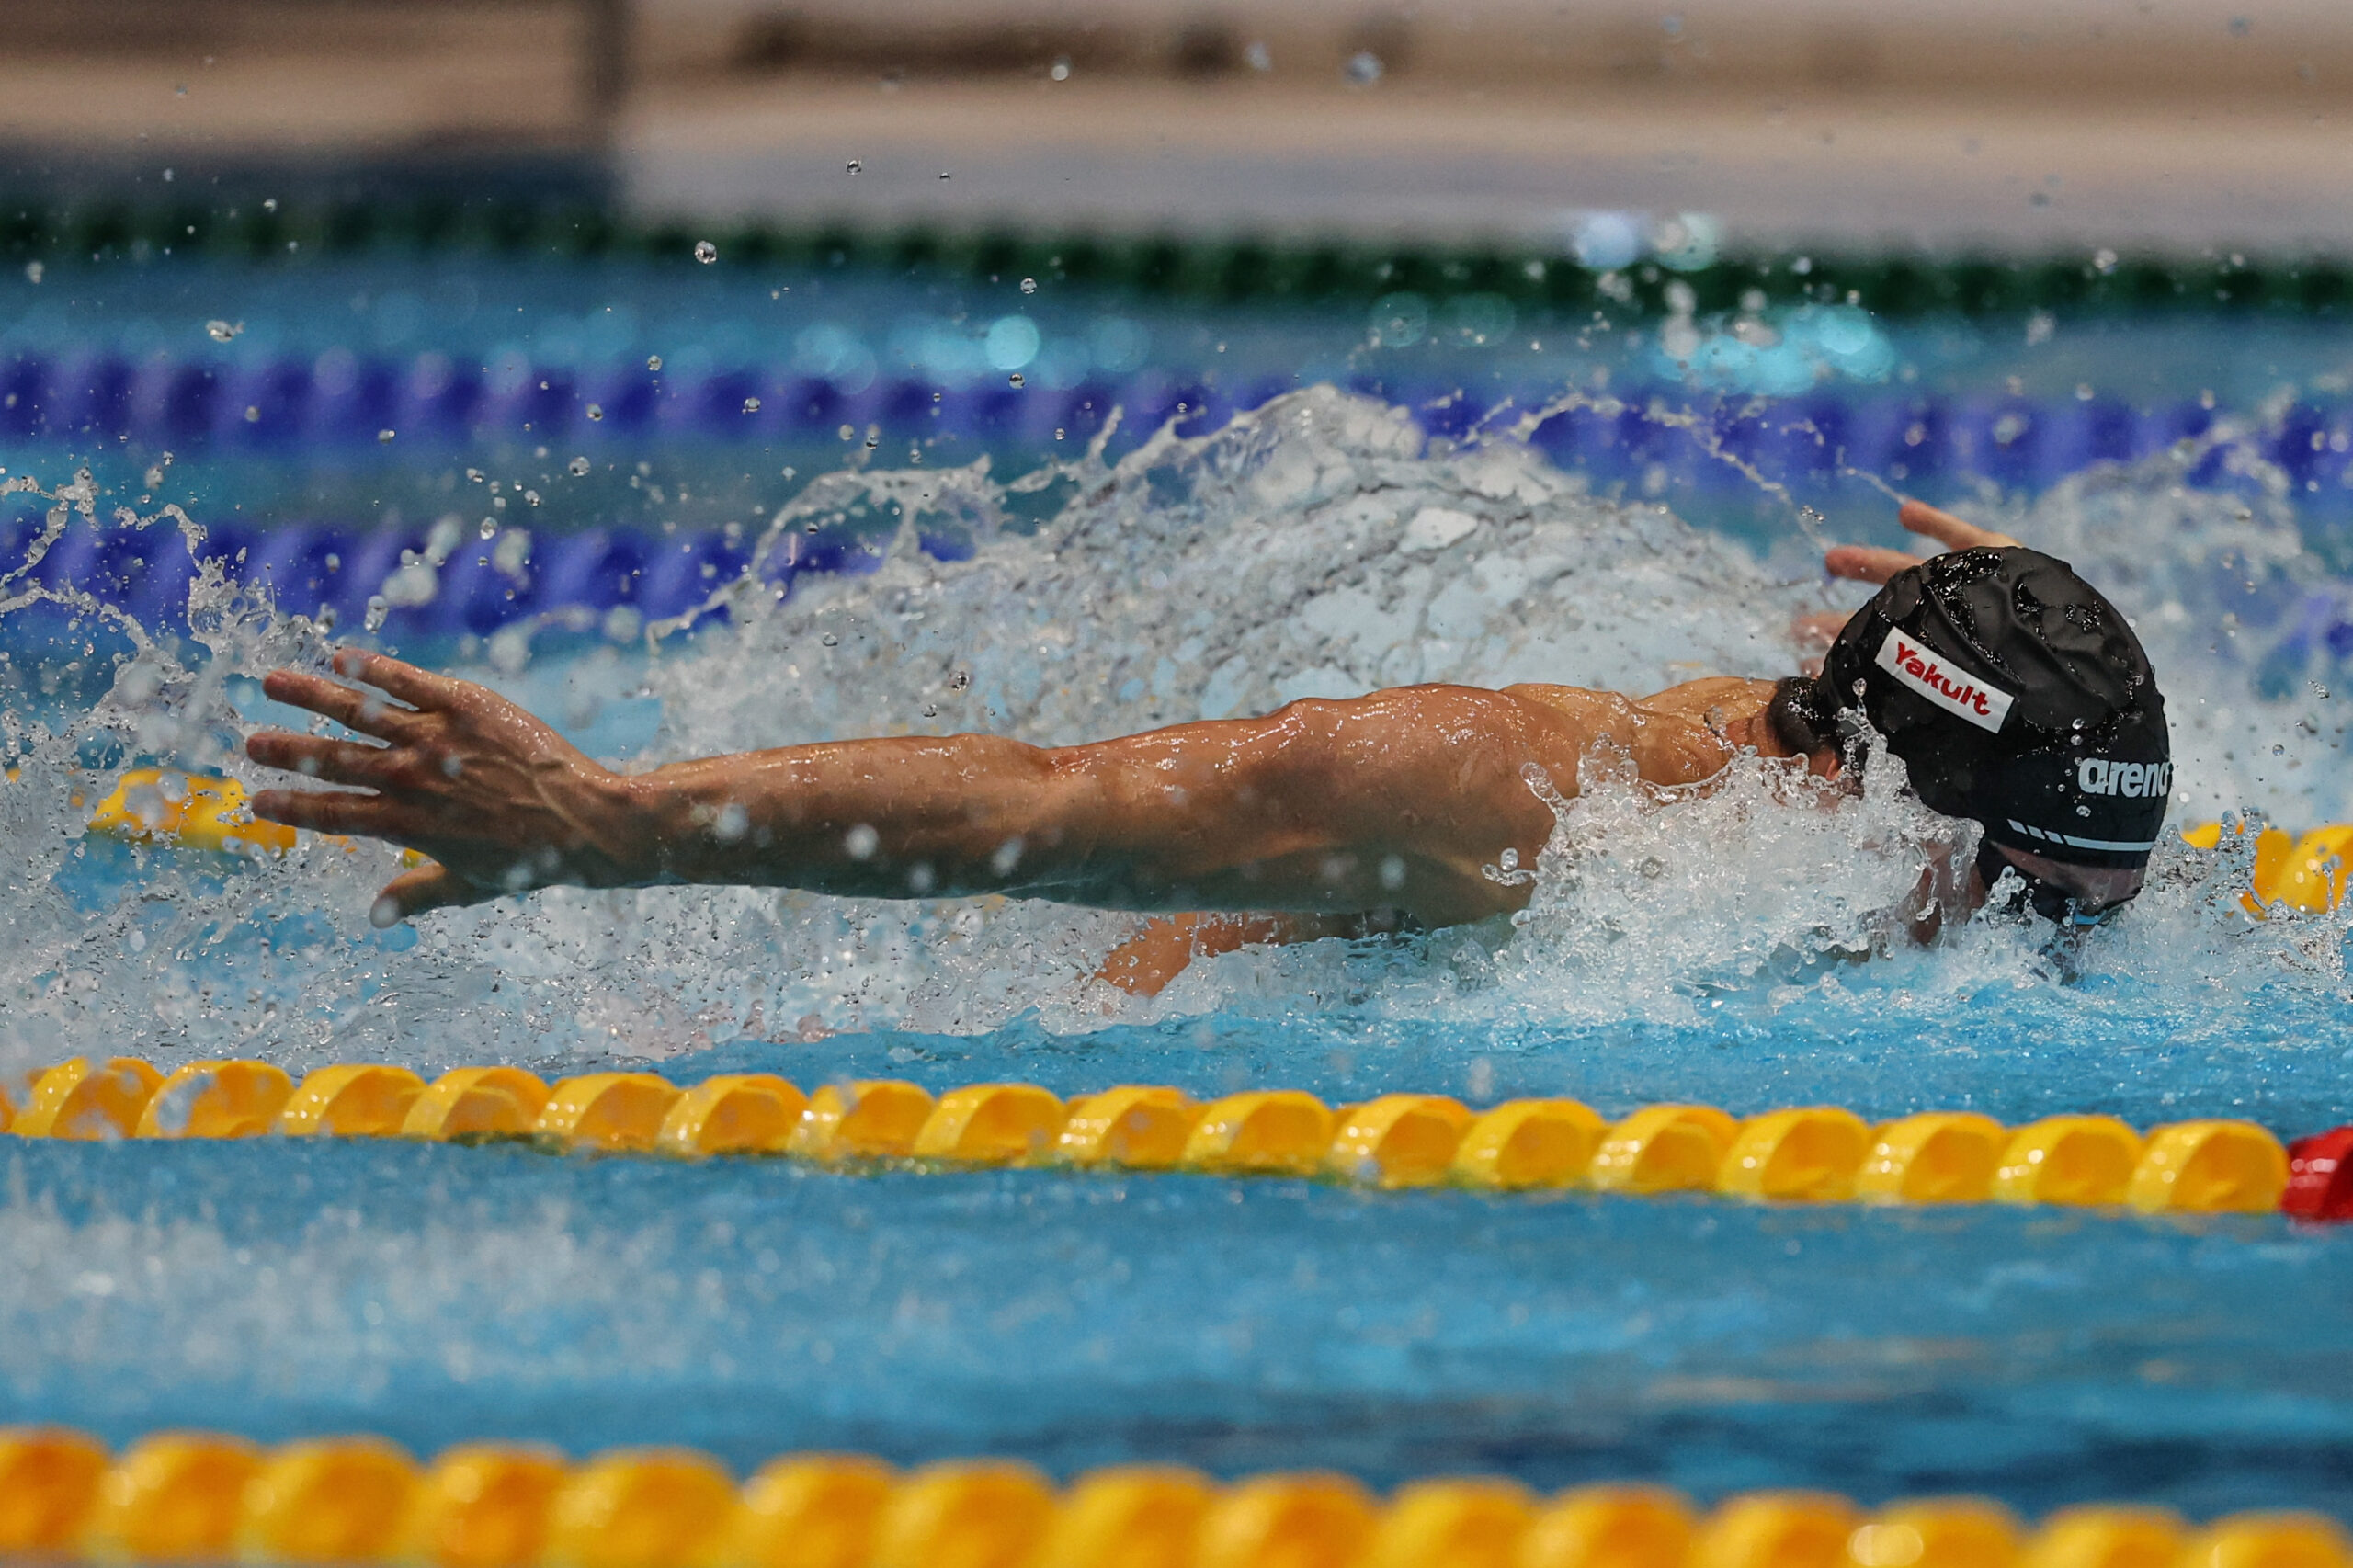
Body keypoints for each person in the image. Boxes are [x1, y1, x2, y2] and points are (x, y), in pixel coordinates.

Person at [244, 501, 2172, 980]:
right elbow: (1054, 804)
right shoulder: (1515, 803)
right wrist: (615, 820)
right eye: (2031, 904)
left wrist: (1999, 602)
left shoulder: (1855, 772)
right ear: (1861, 789)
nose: (2043, 943)